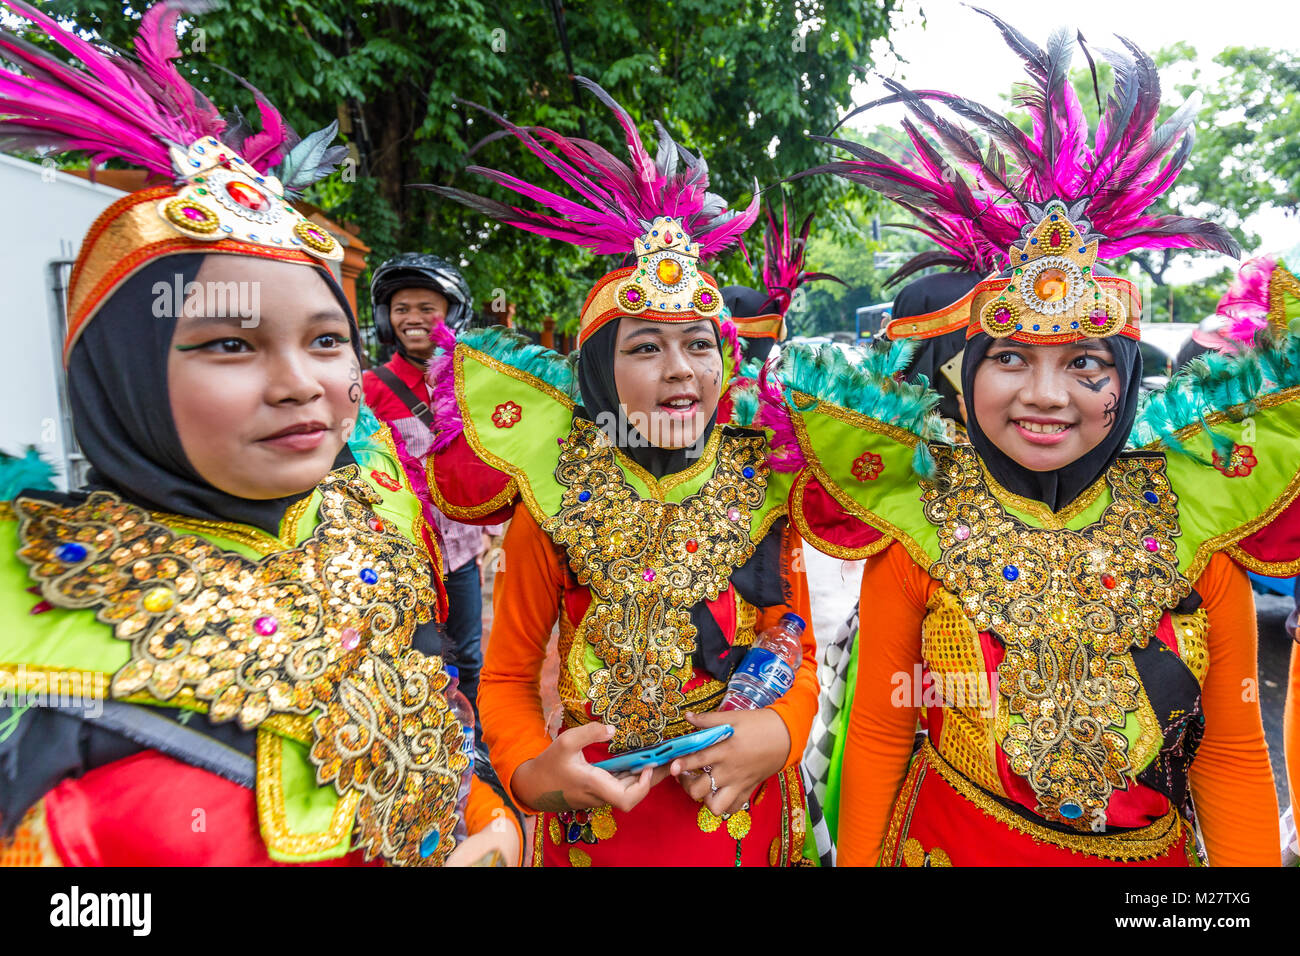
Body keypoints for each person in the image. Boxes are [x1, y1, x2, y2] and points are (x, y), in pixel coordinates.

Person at [753, 11, 1291, 865]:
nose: (1046, 396)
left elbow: (1228, 761)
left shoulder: (1195, 538)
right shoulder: (917, 533)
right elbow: (884, 743)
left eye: (1084, 362)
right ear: (963, 380)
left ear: (1125, 376)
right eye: (1008, 358)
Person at [0, 0, 518, 867]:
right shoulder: (41, 638)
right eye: (231, 344)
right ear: (122, 378)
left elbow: (437, 712)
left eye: (325, 340)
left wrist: (489, 816)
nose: (300, 383)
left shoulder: (361, 525)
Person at [418, 78, 820, 865]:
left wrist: (779, 731)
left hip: (741, 810)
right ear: (599, 372)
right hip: (597, 822)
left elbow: (792, 637)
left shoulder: (766, 482)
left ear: (726, 360)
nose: (680, 371)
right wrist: (536, 775)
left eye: (699, 344)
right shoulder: (554, 493)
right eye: (645, 347)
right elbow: (504, 679)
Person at [362, 254, 501, 725]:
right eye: (402, 308)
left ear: (452, 312)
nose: (414, 318)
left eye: (427, 307)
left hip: (460, 551)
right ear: (385, 317)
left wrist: (489, 526)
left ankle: (473, 745)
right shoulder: (370, 388)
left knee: (467, 657)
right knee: (410, 657)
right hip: (399, 550)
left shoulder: (472, 381)